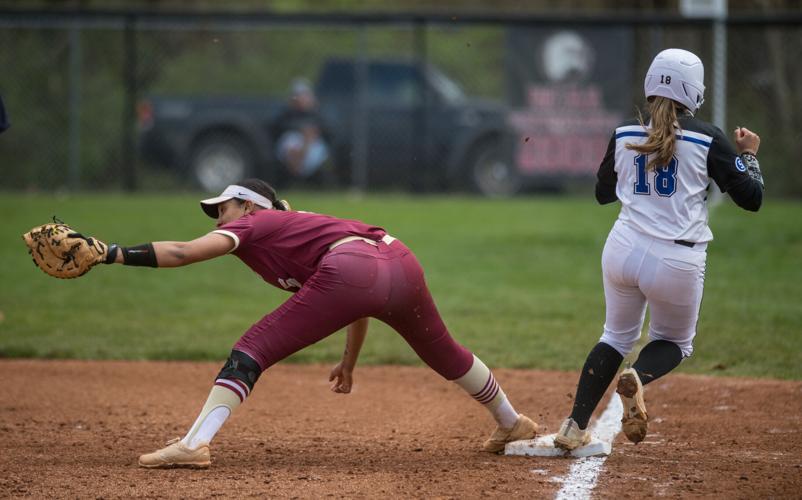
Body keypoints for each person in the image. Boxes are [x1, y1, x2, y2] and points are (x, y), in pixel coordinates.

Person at [96, 178, 537, 467]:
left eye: (223, 208)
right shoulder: (291, 228)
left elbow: (185, 253)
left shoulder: (256, 223)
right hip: (399, 260)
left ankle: (193, 445)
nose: (219, 218)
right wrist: (349, 362)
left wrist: (111, 253)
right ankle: (511, 421)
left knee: (252, 349)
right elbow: (359, 295)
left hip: (353, 265)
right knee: (445, 352)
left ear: (249, 206)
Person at [553, 48, 764, 450]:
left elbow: (602, 195)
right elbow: (751, 198)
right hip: (677, 258)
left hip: (623, 248)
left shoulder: (624, 133)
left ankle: (573, 427)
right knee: (675, 342)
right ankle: (638, 376)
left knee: (615, 336)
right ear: (694, 91)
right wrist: (749, 155)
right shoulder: (709, 138)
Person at [270, 79, 333, 186]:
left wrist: (312, 132)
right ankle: (297, 174)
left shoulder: (317, 113)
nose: (301, 99)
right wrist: (301, 130)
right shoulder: (288, 113)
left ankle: (297, 177)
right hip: (293, 143)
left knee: (310, 141)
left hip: (313, 144)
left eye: (304, 96)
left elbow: (328, 131)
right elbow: (278, 128)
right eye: (298, 96)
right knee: (290, 142)